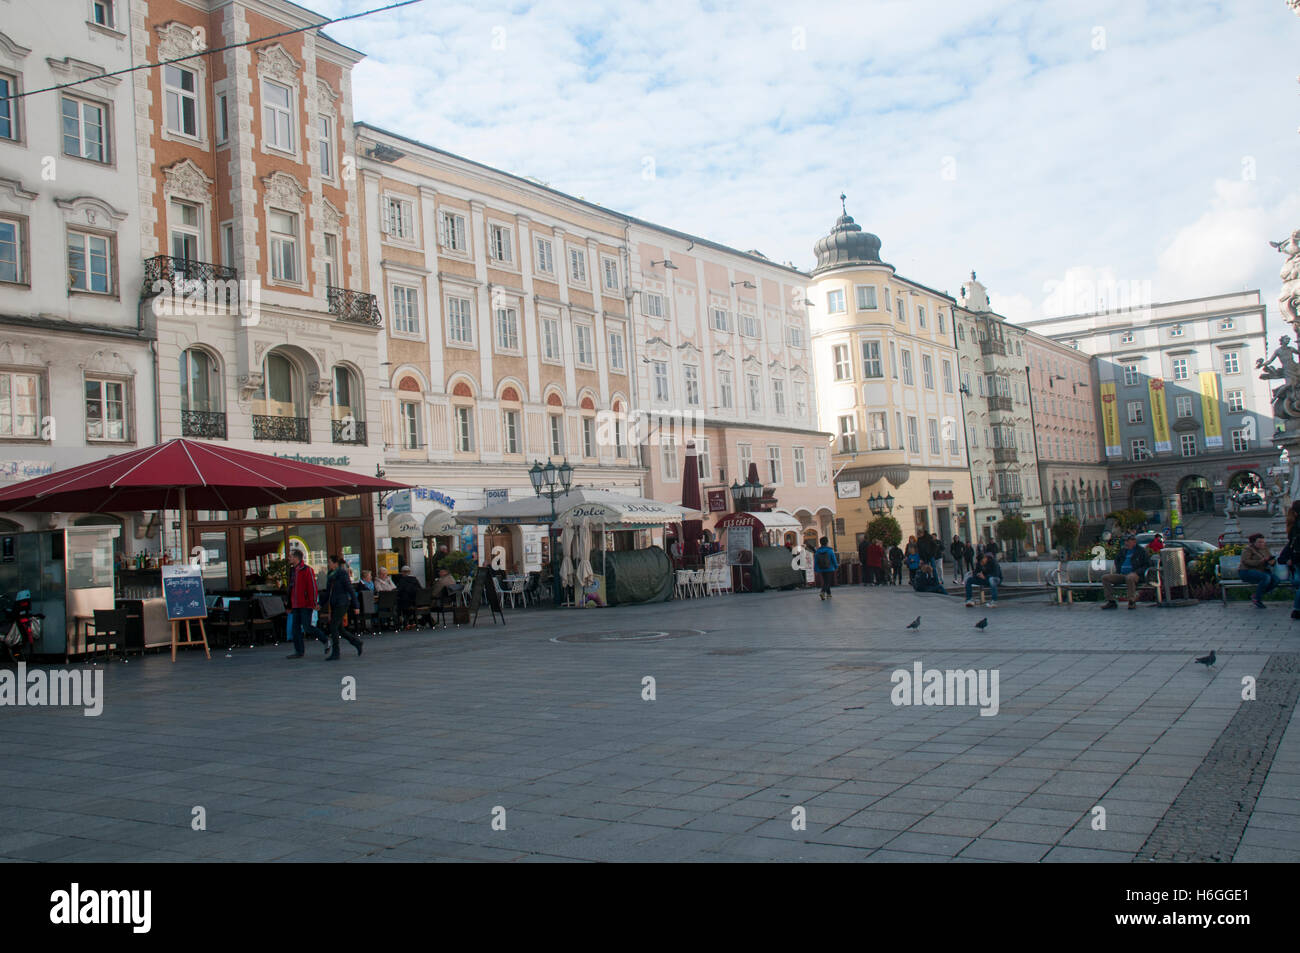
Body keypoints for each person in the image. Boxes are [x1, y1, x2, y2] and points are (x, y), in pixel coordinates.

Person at [286, 549, 328, 659]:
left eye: (290, 556)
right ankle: (299, 651)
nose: (289, 558)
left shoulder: (306, 570)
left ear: (296, 558)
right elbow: (291, 588)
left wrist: (313, 602)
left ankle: (325, 640)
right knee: (295, 628)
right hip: (296, 604)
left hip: (305, 604)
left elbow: (312, 587)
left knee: (307, 627)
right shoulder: (292, 571)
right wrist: (289, 604)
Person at [322, 555, 363, 660]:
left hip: (342, 603)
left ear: (335, 563)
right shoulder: (330, 574)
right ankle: (357, 642)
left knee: (333, 626)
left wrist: (356, 605)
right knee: (340, 629)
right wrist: (320, 604)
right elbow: (327, 592)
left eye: (330, 562)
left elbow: (350, 589)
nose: (328, 564)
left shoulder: (342, 573)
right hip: (334, 603)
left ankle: (336, 652)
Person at [1100, 535, 1151, 610]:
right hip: (1123, 575)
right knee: (1105, 578)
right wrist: (1119, 570)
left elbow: (1147, 565)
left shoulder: (1141, 551)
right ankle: (1111, 601)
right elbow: (1117, 560)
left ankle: (1131, 601)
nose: (1126, 543)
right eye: (1125, 541)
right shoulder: (1123, 551)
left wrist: (1136, 572)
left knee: (1129, 577)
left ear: (1134, 542)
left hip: (1136, 575)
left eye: (1128, 541)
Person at [1239, 533, 1279, 609]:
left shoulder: (1265, 549)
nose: (1262, 544)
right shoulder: (1248, 549)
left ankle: (1256, 596)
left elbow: (1270, 559)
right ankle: (1258, 599)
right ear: (1253, 542)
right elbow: (1245, 561)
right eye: (1259, 542)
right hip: (1246, 571)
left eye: (1263, 542)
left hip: (1261, 571)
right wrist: (1261, 561)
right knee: (1266, 578)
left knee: (1276, 580)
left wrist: (1272, 561)